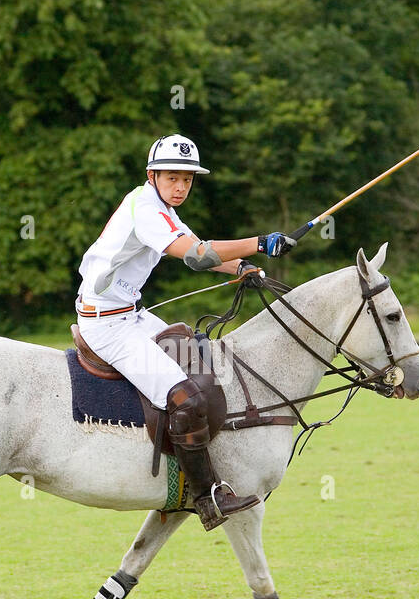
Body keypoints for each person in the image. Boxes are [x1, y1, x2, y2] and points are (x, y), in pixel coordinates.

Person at [74, 133, 296, 530]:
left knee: (202, 361)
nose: (180, 187)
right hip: (107, 325)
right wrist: (259, 243)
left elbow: (201, 250)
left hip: (130, 314)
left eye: (187, 180)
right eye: (172, 178)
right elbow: (196, 257)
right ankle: (206, 496)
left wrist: (241, 267)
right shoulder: (145, 207)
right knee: (186, 398)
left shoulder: (162, 208)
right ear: (152, 175)